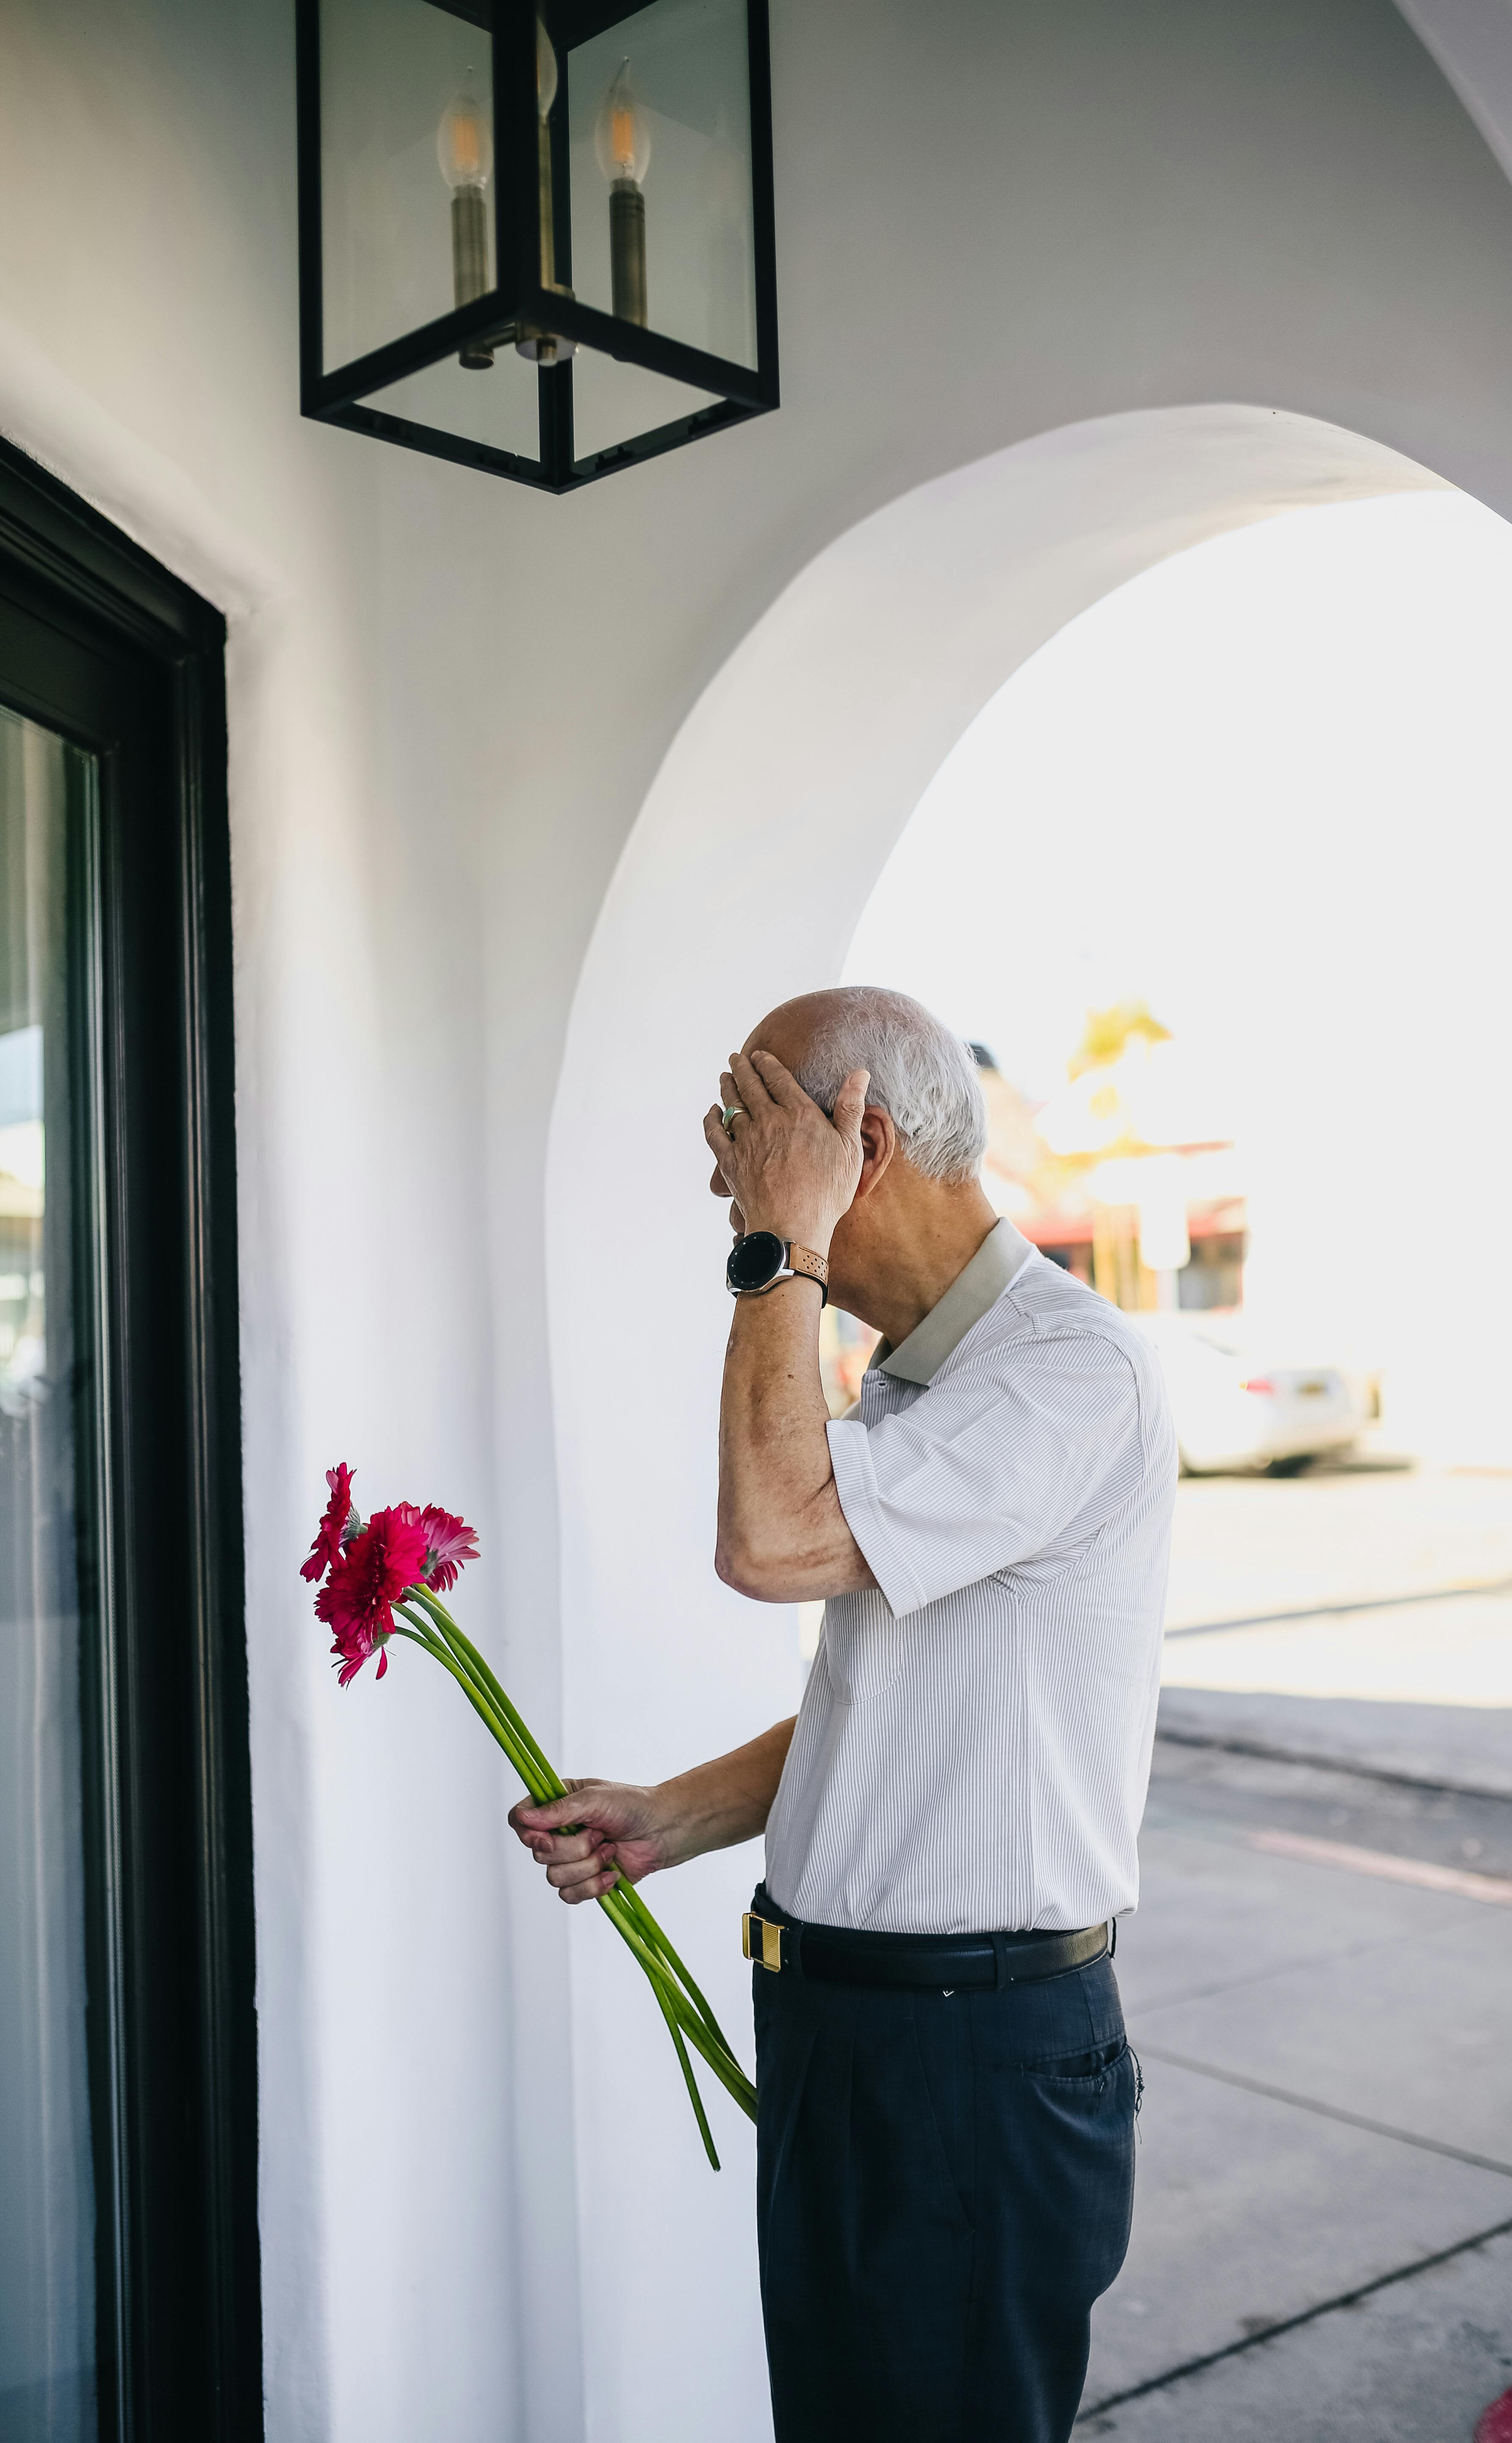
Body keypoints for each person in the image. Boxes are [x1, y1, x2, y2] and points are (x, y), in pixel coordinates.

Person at [510, 985, 1177, 2443]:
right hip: (861, 2033)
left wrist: (779, 1248)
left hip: (967, 2057)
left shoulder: (1067, 1373)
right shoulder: (921, 1378)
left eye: (748, 1134)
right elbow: (897, 1712)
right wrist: (670, 1817)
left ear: (858, 1143)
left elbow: (771, 1542)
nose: (719, 1175)